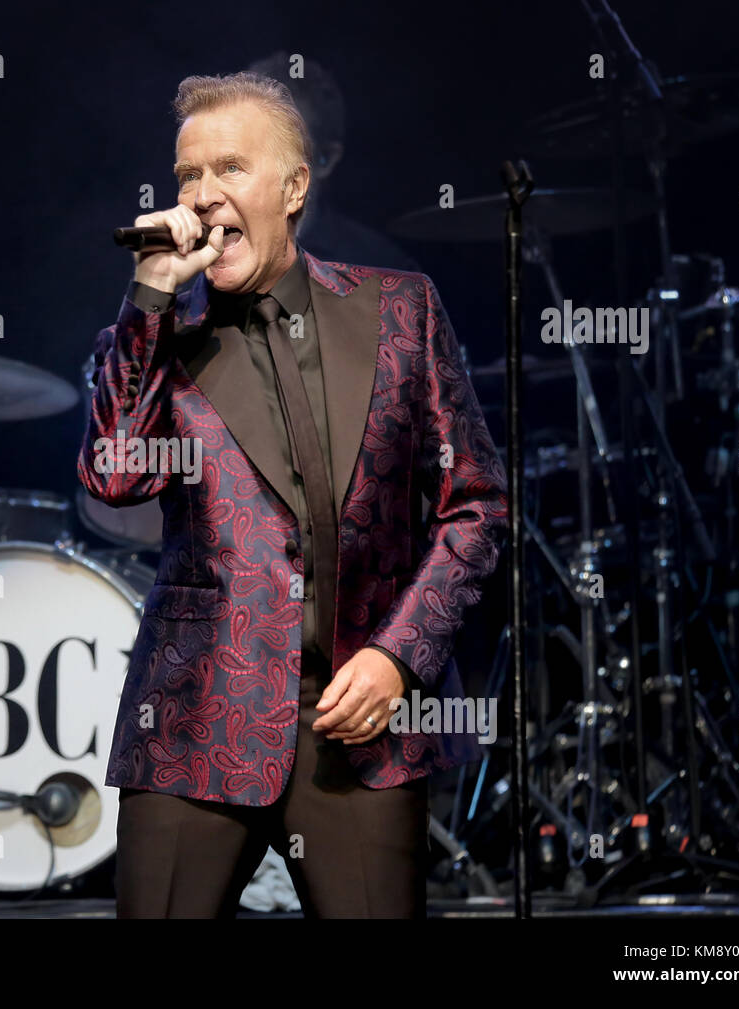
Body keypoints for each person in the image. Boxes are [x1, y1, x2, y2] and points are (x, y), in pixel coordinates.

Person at [76, 71, 507, 918]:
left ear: (295, 186)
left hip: (358, 726)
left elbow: (478, 505)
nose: (201, 198)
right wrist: (152, 293)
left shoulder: (400, 313)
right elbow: (116, 472)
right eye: (187, 176)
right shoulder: (156, 338)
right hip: (200, 716)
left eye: (229, 170)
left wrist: (398, 655)